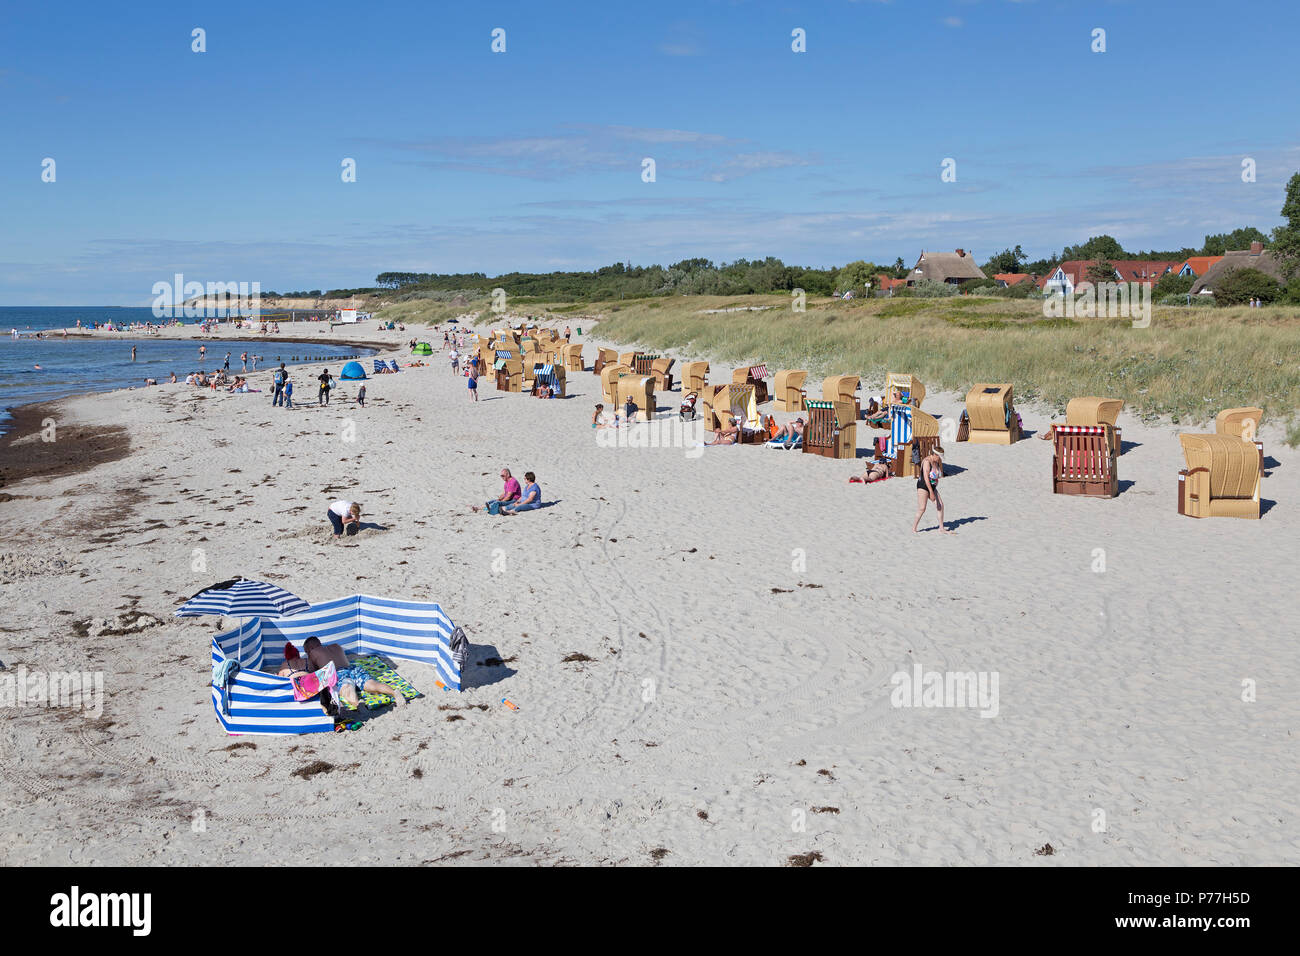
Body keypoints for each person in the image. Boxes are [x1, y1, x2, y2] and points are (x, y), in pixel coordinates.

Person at [302, 636, 404, 711]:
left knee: (347, 688)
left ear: (310, 648)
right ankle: (394, 693)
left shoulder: (313, 653)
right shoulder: (336, 646)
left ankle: (358, 704)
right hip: (353, 668)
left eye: (306, 651)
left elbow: (314, 672)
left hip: (338, 674)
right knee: (371, 683)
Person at [912, 446, 952, 534]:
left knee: (940, 505)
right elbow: (926, 478)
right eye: (939, 457)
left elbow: (936, 476)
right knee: (922, 508)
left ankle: (941, 528)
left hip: (932, 486)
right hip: (923, 486)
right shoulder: (927, 462)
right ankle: (914, 528)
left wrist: (934, 487)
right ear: (935, 455)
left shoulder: (936, 462)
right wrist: (931, 492)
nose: (940, 459)